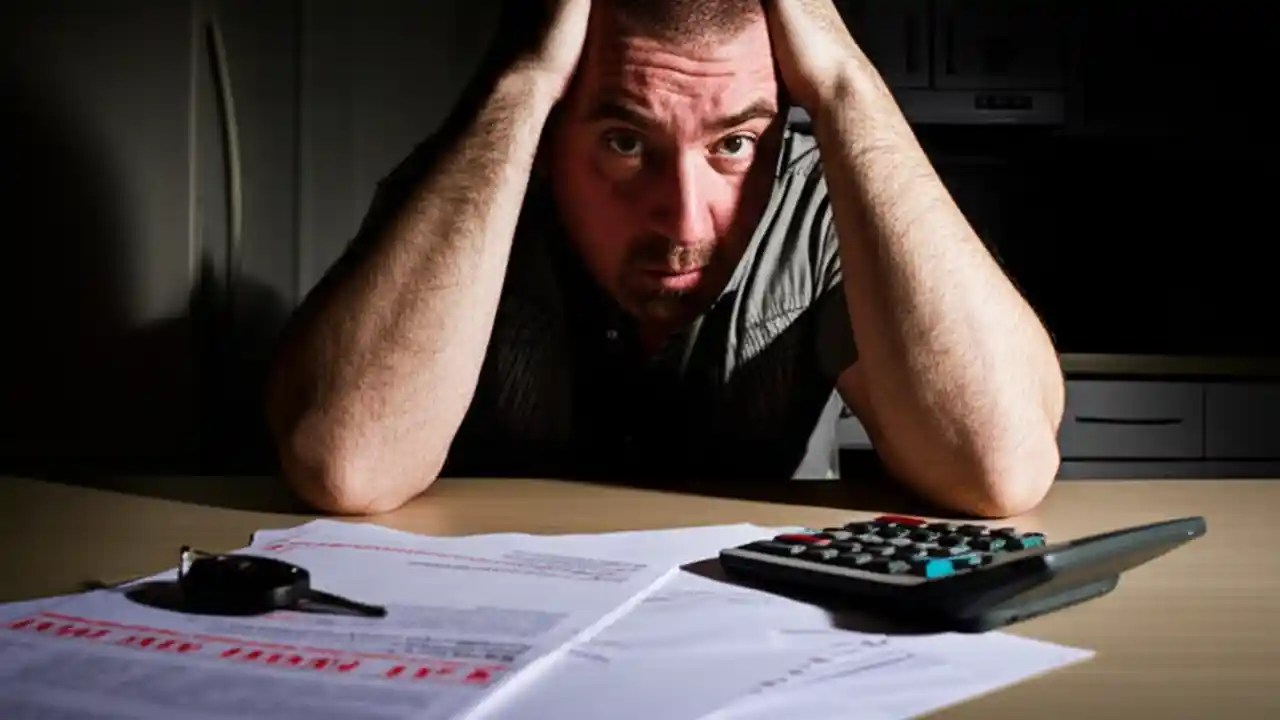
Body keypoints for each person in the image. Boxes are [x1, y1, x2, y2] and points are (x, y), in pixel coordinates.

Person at [263, 0, 1066, 518]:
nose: (686, 219)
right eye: (623, 143)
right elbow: (347, 464)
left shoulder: (824, 205)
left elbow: (999, 467)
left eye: (735, 144)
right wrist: (517, 88)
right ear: (546, 133)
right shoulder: (472, 187)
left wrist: (849, 83)